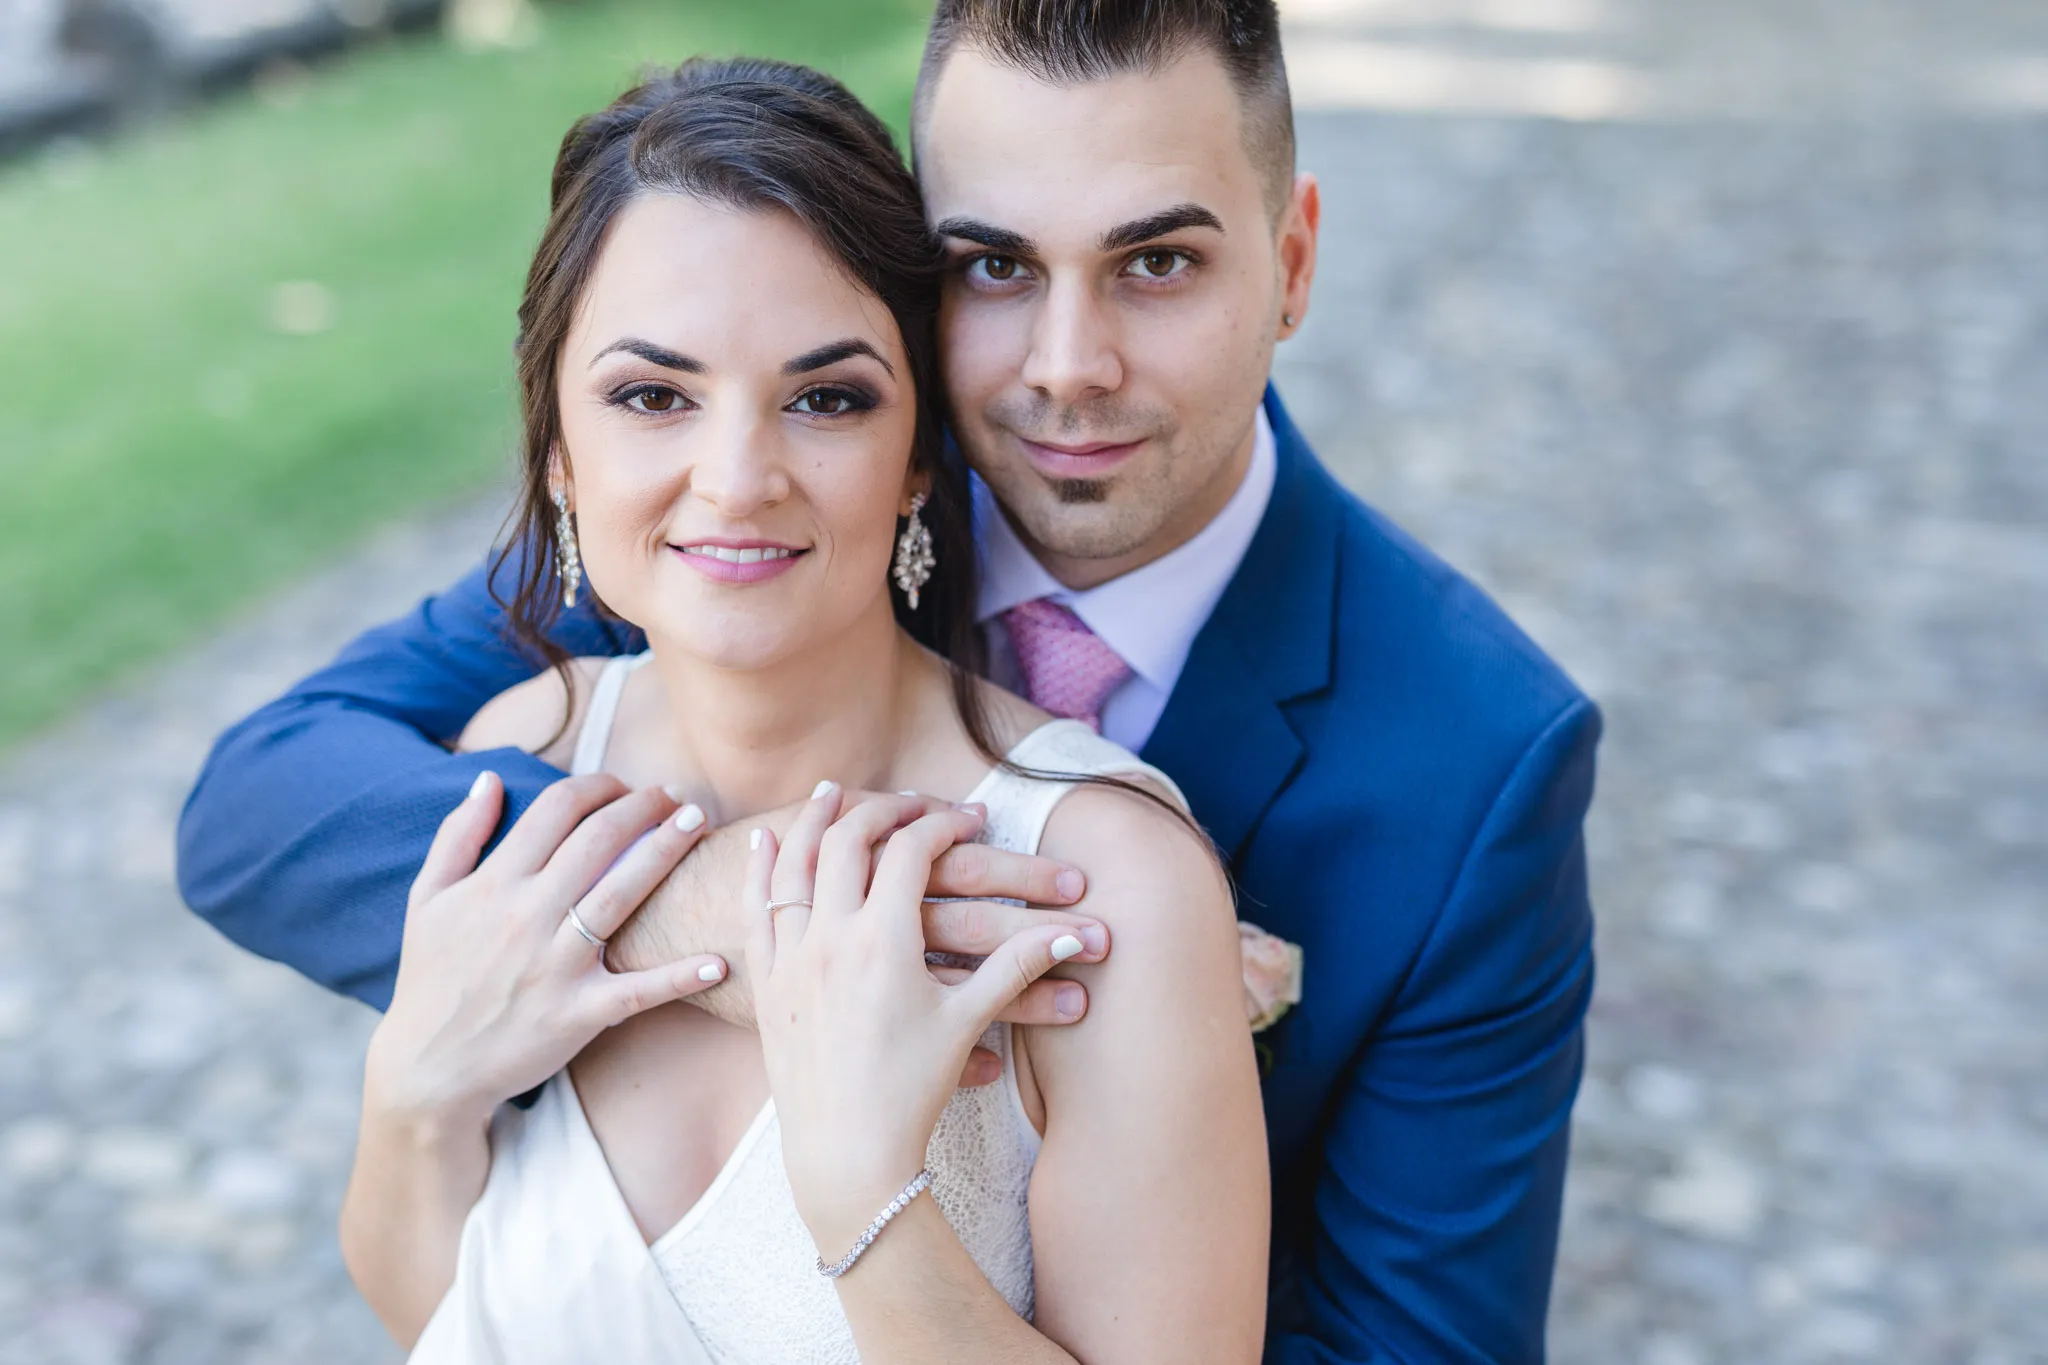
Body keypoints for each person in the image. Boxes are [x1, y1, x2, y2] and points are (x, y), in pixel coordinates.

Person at [178, 2, 1602, 1360]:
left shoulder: (1476, 762)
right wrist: (696, 904)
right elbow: (264, 794)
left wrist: (882, 1196)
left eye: (1158, 262)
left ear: (1290, 264)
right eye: (993, 266)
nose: (1067, 370)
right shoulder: (709, 556)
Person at [339, 57, 1268, 1362]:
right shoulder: (523, 759)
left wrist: (860, 1194)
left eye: (825, 399)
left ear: (915, 462)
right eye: (653, 396)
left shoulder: (1097, 887)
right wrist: (415, 1102)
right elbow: (434, 1311)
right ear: (558, 445)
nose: (736, 479)